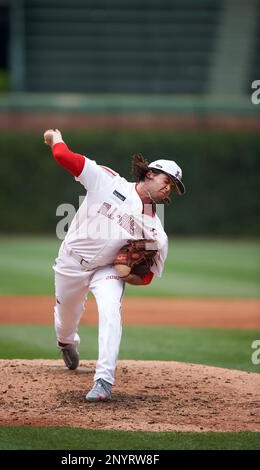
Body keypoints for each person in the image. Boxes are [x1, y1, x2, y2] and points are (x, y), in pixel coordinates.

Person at [43, 129, 185, 402]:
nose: (169, 188)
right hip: (71, 261)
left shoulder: (156, 233)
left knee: (110, 311)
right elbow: (62, 155)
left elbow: (147, 278)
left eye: (174, 187)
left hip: (106, 270)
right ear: (150, 174)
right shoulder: (108, 182)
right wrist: (55, 137)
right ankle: (66, 342)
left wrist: (128, 273)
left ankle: (103, 381)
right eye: (168, 180)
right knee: (66, 319)